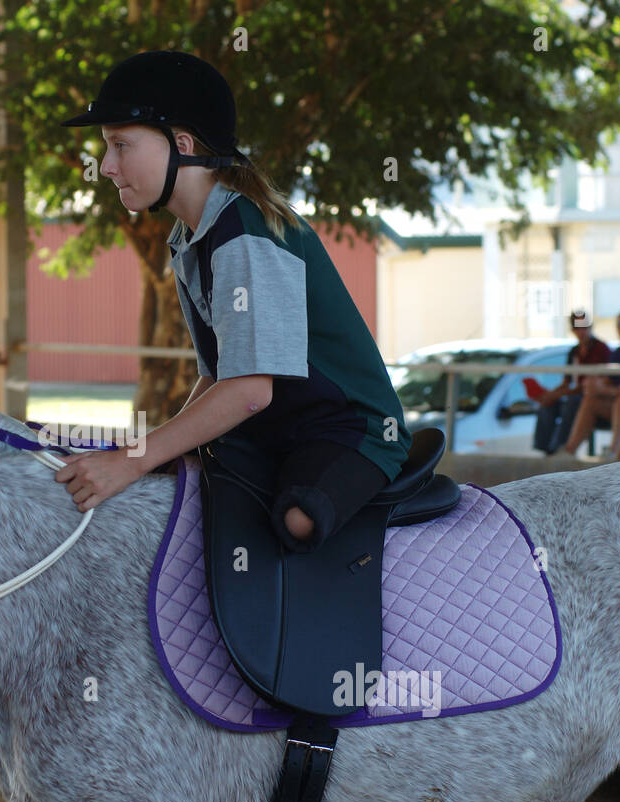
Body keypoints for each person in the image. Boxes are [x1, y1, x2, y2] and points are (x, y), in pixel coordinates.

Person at [55, 51, 411, 552]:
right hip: (273, 432)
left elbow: (249, 390)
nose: (107, 166)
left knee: (297, 521)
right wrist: (150, 449)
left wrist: (132, 459)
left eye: (120, 145)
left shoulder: (245, 234)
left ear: (181, 145)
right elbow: (218, 374)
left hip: (347, 433)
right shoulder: (189, 237)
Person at [558, 310, 620, 457]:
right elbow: (606, 381)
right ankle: (569, 450)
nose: (619, 329)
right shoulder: (619, 353)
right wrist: (593, 385)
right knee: (590, 400)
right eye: (617, 325)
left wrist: (605, 389)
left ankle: (616, 452)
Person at [525, 309, 612, 454]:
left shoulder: (601, 349)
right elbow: (567, 382)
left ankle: (562, 447)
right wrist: (550, 395)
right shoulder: (574, 352)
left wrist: (557, 394)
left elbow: (589, 385)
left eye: (585, 327)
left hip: (592, 397)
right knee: (548, 405)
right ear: (573, 330)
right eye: (578, 328)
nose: (582, 331)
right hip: (576, 394)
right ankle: (545, 449)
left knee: (573, 401)